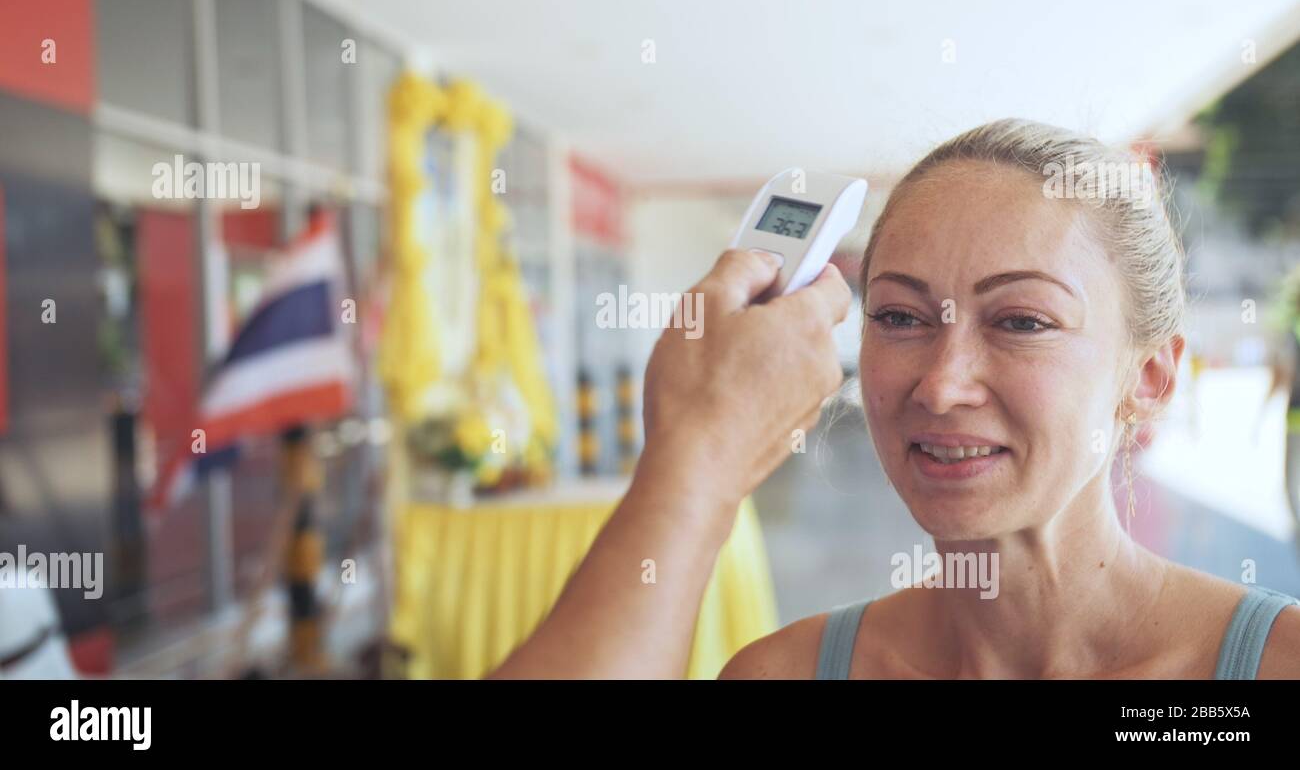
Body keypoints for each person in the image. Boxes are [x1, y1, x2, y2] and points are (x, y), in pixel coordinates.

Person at [489, 119, 1300, 679]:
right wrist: (695, 454)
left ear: (1150, 377)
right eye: (900, 316)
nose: (942, 384)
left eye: (1021, 319)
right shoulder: (783, 673)